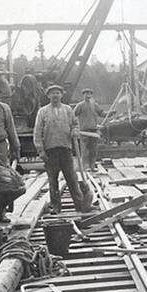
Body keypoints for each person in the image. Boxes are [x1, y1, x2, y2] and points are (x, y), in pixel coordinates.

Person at [34, 84, 84, 213]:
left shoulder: (68, 110)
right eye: (52, 93)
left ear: (62, 95)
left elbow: (75, 124)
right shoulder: (43, 111)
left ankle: (80, 205)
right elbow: (37, 132)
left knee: (72, 178)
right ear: (48, 96)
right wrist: (41, 150)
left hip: (65, 149)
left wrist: (75, 131)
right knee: (53, 180)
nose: (55, 95)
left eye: (57, 93)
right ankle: (56, 207)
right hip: (50, 151)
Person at [74, 88, 106, 172]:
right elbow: (73, 115)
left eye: (89, 94)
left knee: (93, 150)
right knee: (85, 150)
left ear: (91, 95)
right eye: (86, 94)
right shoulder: (80, 105)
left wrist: (109, 114)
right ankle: (86, 166)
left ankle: (92, 166)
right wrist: (75, 125)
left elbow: (101, 113)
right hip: (84, 131)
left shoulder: (95, 105)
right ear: (83, 95)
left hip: (94, 130)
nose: (88, 95)